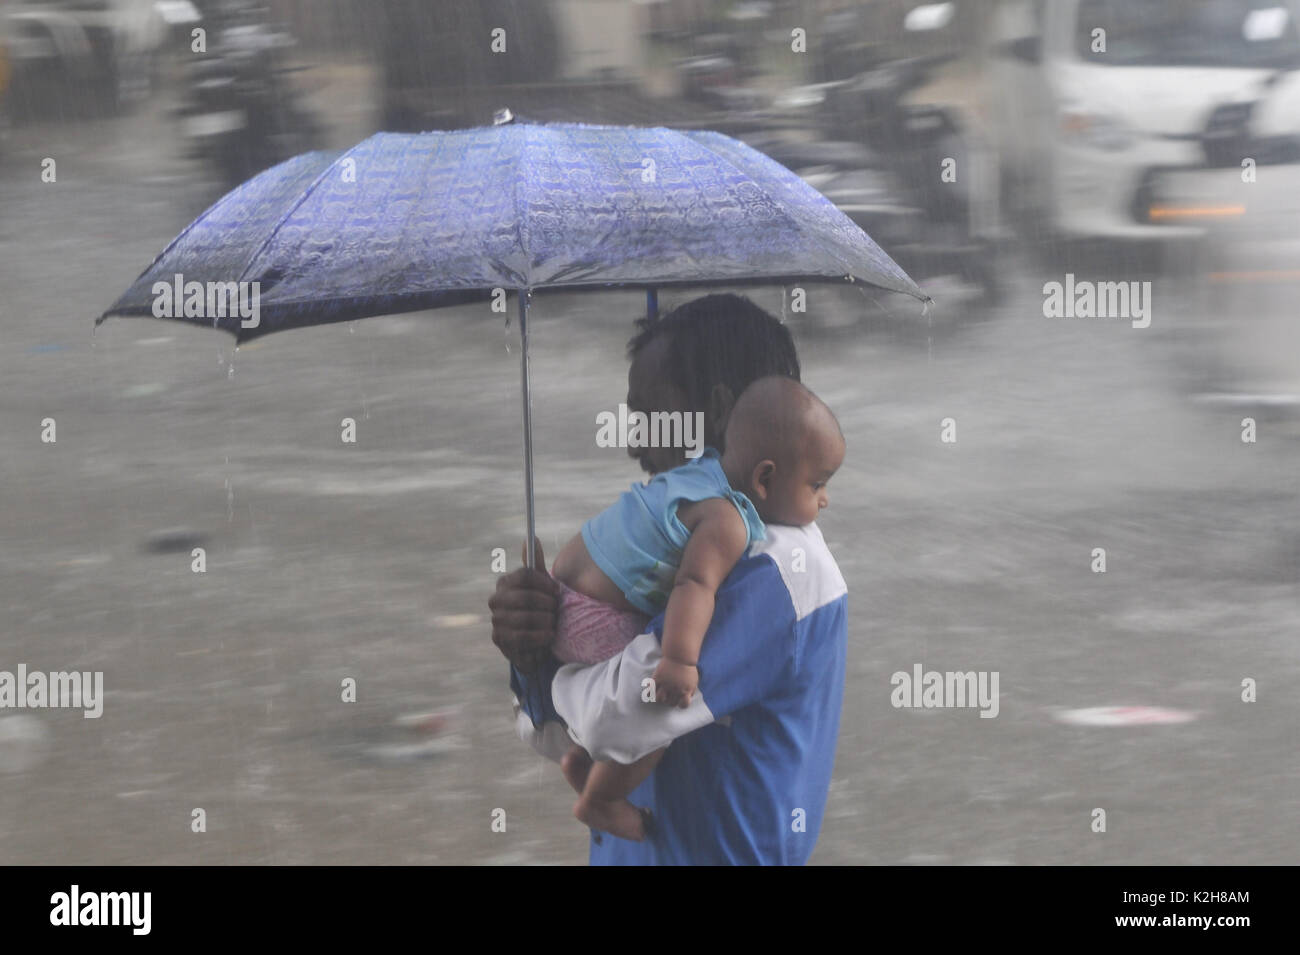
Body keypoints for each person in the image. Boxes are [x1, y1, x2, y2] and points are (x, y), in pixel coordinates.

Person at [490, 293, 850, 865]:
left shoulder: (773, 571)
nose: (634, 444)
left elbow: (612, 721)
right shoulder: (684, 545)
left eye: (647, 416)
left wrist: (554, 668)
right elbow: (557, 739)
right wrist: (532, 650)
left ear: (715, 409)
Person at [549, 375, 846, 842]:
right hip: (592, 619)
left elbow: (544, 724)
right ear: (765, 478)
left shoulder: (698, 475)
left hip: (566, 594)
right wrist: (678, 661)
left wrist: (540, 678)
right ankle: (601, 799)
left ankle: (588, 768)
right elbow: (694, 584)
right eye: (818, 485)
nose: (825, 499)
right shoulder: (730, 525)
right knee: (657, 718)